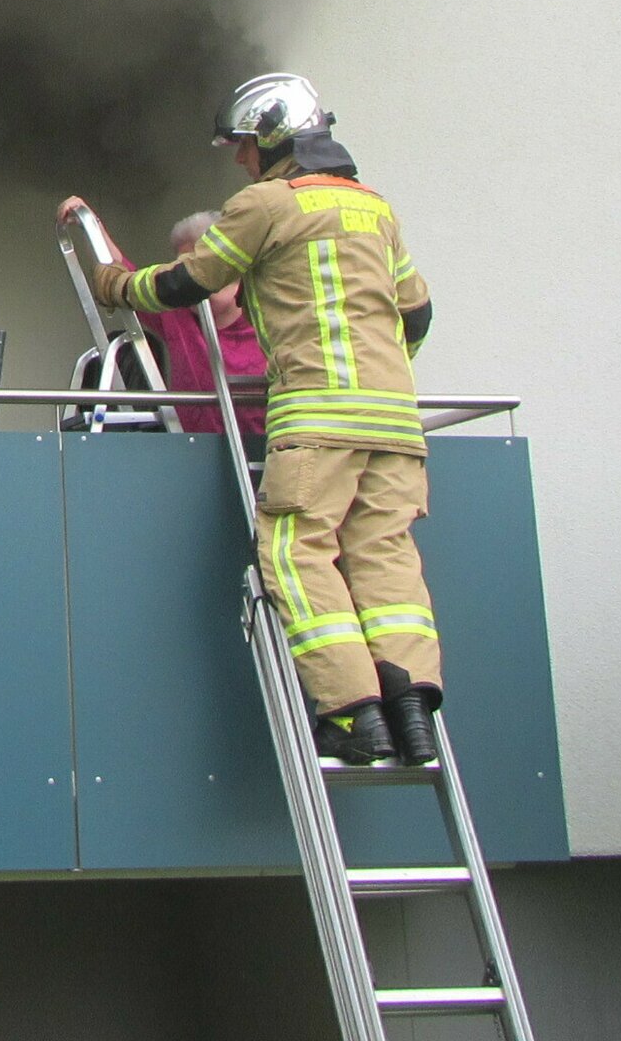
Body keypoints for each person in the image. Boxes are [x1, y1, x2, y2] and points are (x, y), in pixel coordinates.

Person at [64, 73, 441, 768]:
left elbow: (189, 283)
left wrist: (118, 283)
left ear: (271, 141)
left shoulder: (267, 205)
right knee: (385, 561)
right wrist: (380, 377)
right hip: (394, 422)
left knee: (296, 555)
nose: (239, 159)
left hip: (316, 418)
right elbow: (415, 314)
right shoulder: (375, 210)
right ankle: (411, 707)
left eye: (242, 145)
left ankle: (354, 715)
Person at [132, 211, 266, 438]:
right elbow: (125, 278)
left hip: (267, 452)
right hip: (196, 454)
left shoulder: (268, 314)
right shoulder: (177, 314)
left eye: (197, 269)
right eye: (183, 271)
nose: (188, 281)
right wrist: (91, 225)